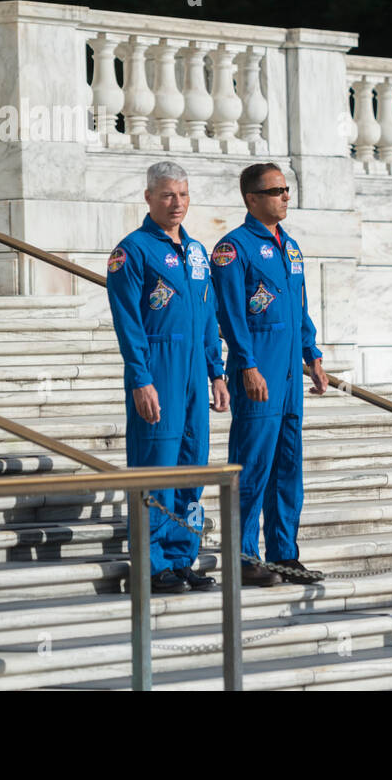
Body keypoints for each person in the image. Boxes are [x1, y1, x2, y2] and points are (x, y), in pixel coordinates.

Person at [106, 161, 230, 594]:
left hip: (197, 372)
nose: (176, 204)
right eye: (166, 195)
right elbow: (129, 323)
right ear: (148, 198)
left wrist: (217, 372)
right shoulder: (132, 251)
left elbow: (208, 315)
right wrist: (141, 379)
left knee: (191, 467)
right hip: (158, 369)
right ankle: (152, 562)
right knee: (156, 468)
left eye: (182, 194)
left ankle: (181, 557)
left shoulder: (196, 251)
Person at [211, 163, 329, 586]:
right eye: (275, 190)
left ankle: (285, 554)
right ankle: (243, 556)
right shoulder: (233, 248)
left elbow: (299, 307)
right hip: (257, 369)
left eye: (286, 188)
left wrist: (312, 354)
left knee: (287, 466)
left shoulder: (291, 247)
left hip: (289, 376)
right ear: (251, 198)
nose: (285, 196)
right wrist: (246, 363)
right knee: (252, 465)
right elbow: (228, 313)